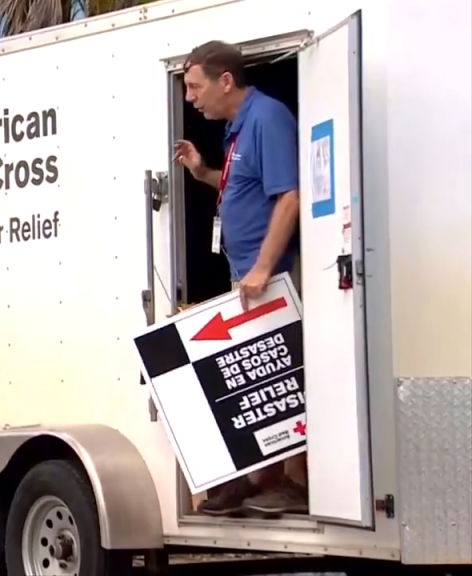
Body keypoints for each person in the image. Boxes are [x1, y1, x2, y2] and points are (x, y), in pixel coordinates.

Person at [174, 41, 306, 517]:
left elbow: (288, 197)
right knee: (259, 380)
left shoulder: (267, 118)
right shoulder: (236, 129)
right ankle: (261, 480)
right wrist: (203, 172)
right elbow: (243, 187)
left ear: (224, 80)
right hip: (248, 274)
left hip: (271, 274)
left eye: (194, 86)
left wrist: (265, 267)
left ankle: (294, 482)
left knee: (284, 378)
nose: (190, 98)